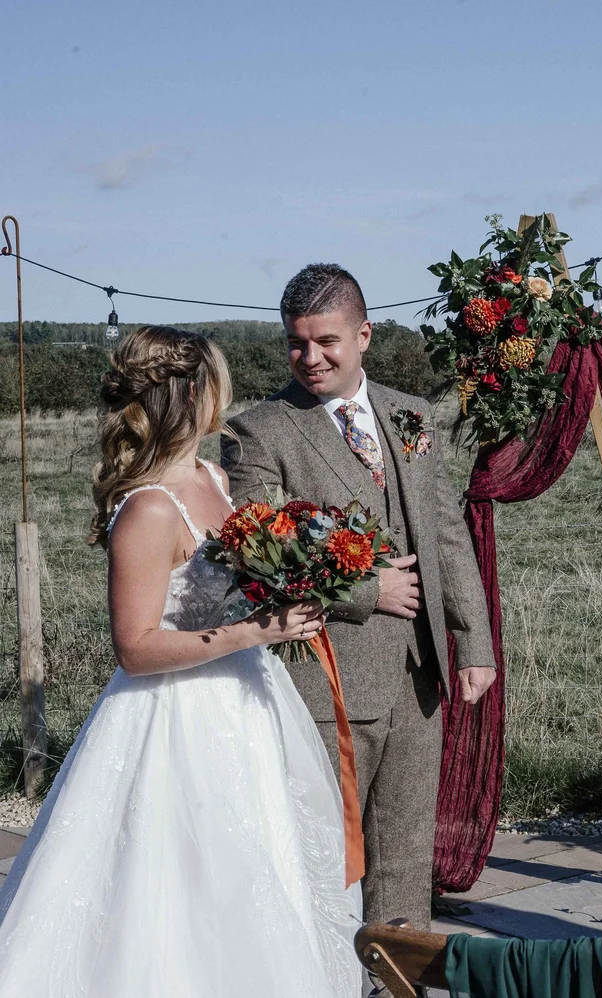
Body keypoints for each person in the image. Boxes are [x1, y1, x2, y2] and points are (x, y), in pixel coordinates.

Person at [0, 326, 363, 996]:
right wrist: (255, 632)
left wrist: (296, 581)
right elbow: (135, 648)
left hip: (248, 709)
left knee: (258, 875)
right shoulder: (148, 510)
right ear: (190, 394)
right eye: (215, 382)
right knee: (174, 891)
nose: (224, 395)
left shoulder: (213, 477)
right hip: (173, 718)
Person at [222, 263, 495, 944]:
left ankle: (399, 982)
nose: (309, 358)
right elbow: (254, 555)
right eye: (296, 343)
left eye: (327, 341)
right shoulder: (261, 431)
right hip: (326, 681)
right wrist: (369, 592)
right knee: (324, 859)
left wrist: (476, 641)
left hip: (420, 676)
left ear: (364, 334)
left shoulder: (411, 414)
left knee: (405, 855)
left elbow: (443, 531)